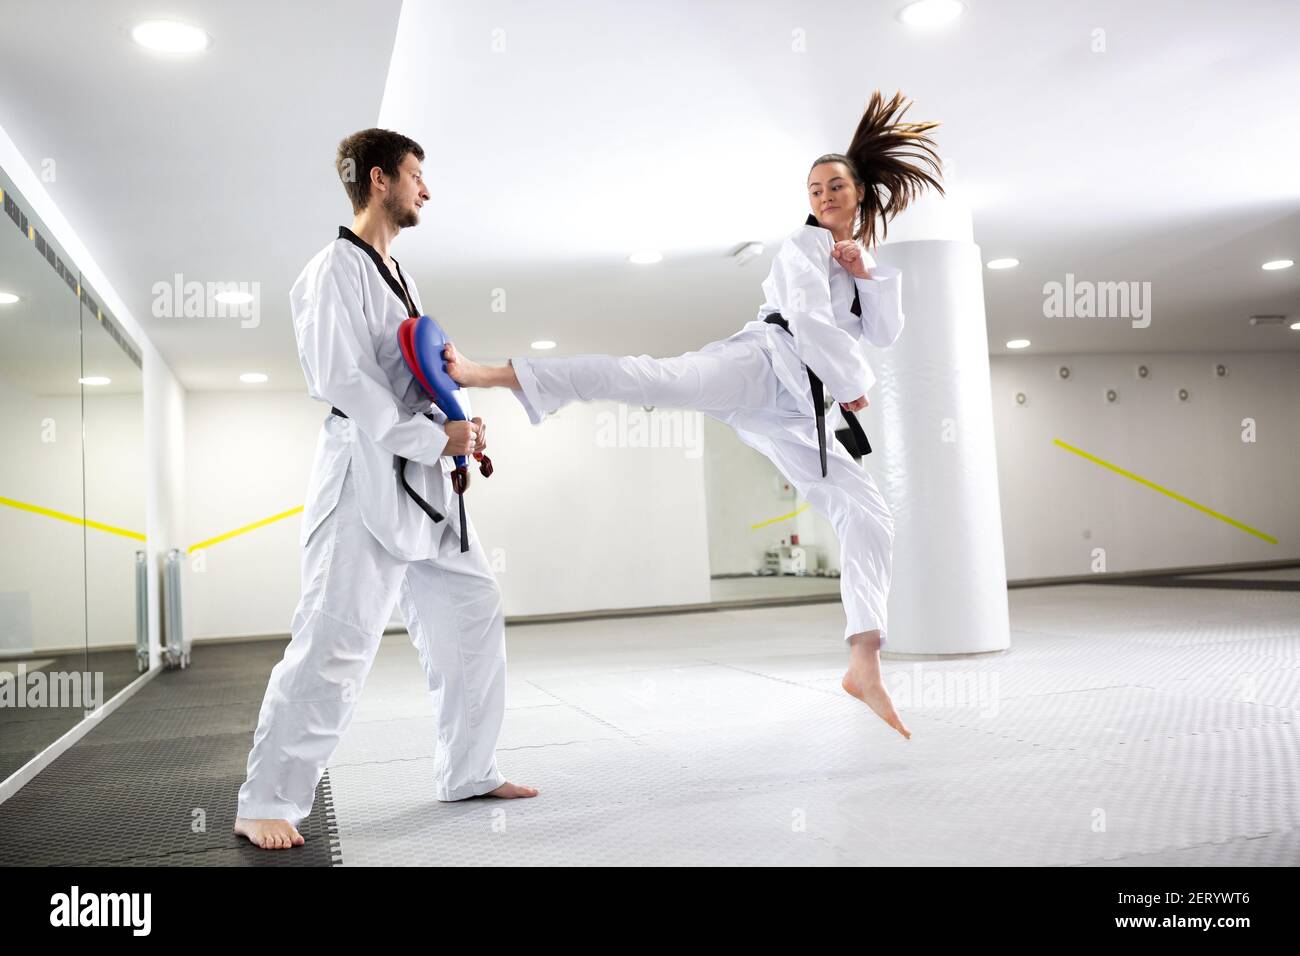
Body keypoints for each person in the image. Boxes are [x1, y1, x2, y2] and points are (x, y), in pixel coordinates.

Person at [443, 92, 942, 741]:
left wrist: (867, 270)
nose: (824, 195)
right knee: (648, 376)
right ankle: (490, 372)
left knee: (868, 510)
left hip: (794, 409)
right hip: (759, 364)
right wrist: (851, 384)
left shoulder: (852, 262)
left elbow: (885, 330)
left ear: (860, 193)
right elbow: (813, 325)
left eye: (835, 185)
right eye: (815, 187)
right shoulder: (802, 246)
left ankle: (863, 659)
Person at [235, 128, 537, 852]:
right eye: (415, 176)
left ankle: (467, 769)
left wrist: (456, 422)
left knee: (472, 607)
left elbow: (416, 371)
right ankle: (267, 798)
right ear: (379, 180)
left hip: (425, 480)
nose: (426, 190)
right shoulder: (331, 270)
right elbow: (342, 381)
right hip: (365, 474)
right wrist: (433, 438)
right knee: (337, 637)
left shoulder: (398, 276)